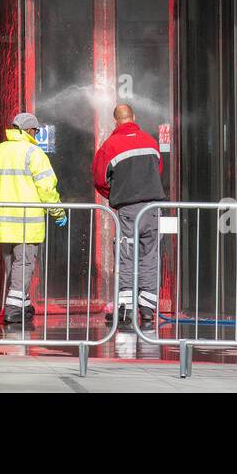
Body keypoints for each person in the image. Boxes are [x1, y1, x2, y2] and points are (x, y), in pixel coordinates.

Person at [0, 112, 66, 326]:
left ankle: (23, 303)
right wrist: (58, 212)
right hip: (27, 222)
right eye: (35, 131)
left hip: (3, 221)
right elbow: (46, 188)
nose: (36, 135)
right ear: (28, 130)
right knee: (25, 263)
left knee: (14, 265)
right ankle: (13, 309)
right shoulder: (33, 153)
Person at [92, 104, 165, 327]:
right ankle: (148, 309)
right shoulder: (151, 142)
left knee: (126, 255)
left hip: (128, 209)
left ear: (116, 121)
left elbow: (99, 179)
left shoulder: (110, 146)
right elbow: (158, 170)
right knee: (149, 255)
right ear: (134, 117)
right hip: (152, 208)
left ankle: (125, 309)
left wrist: (115, 195)